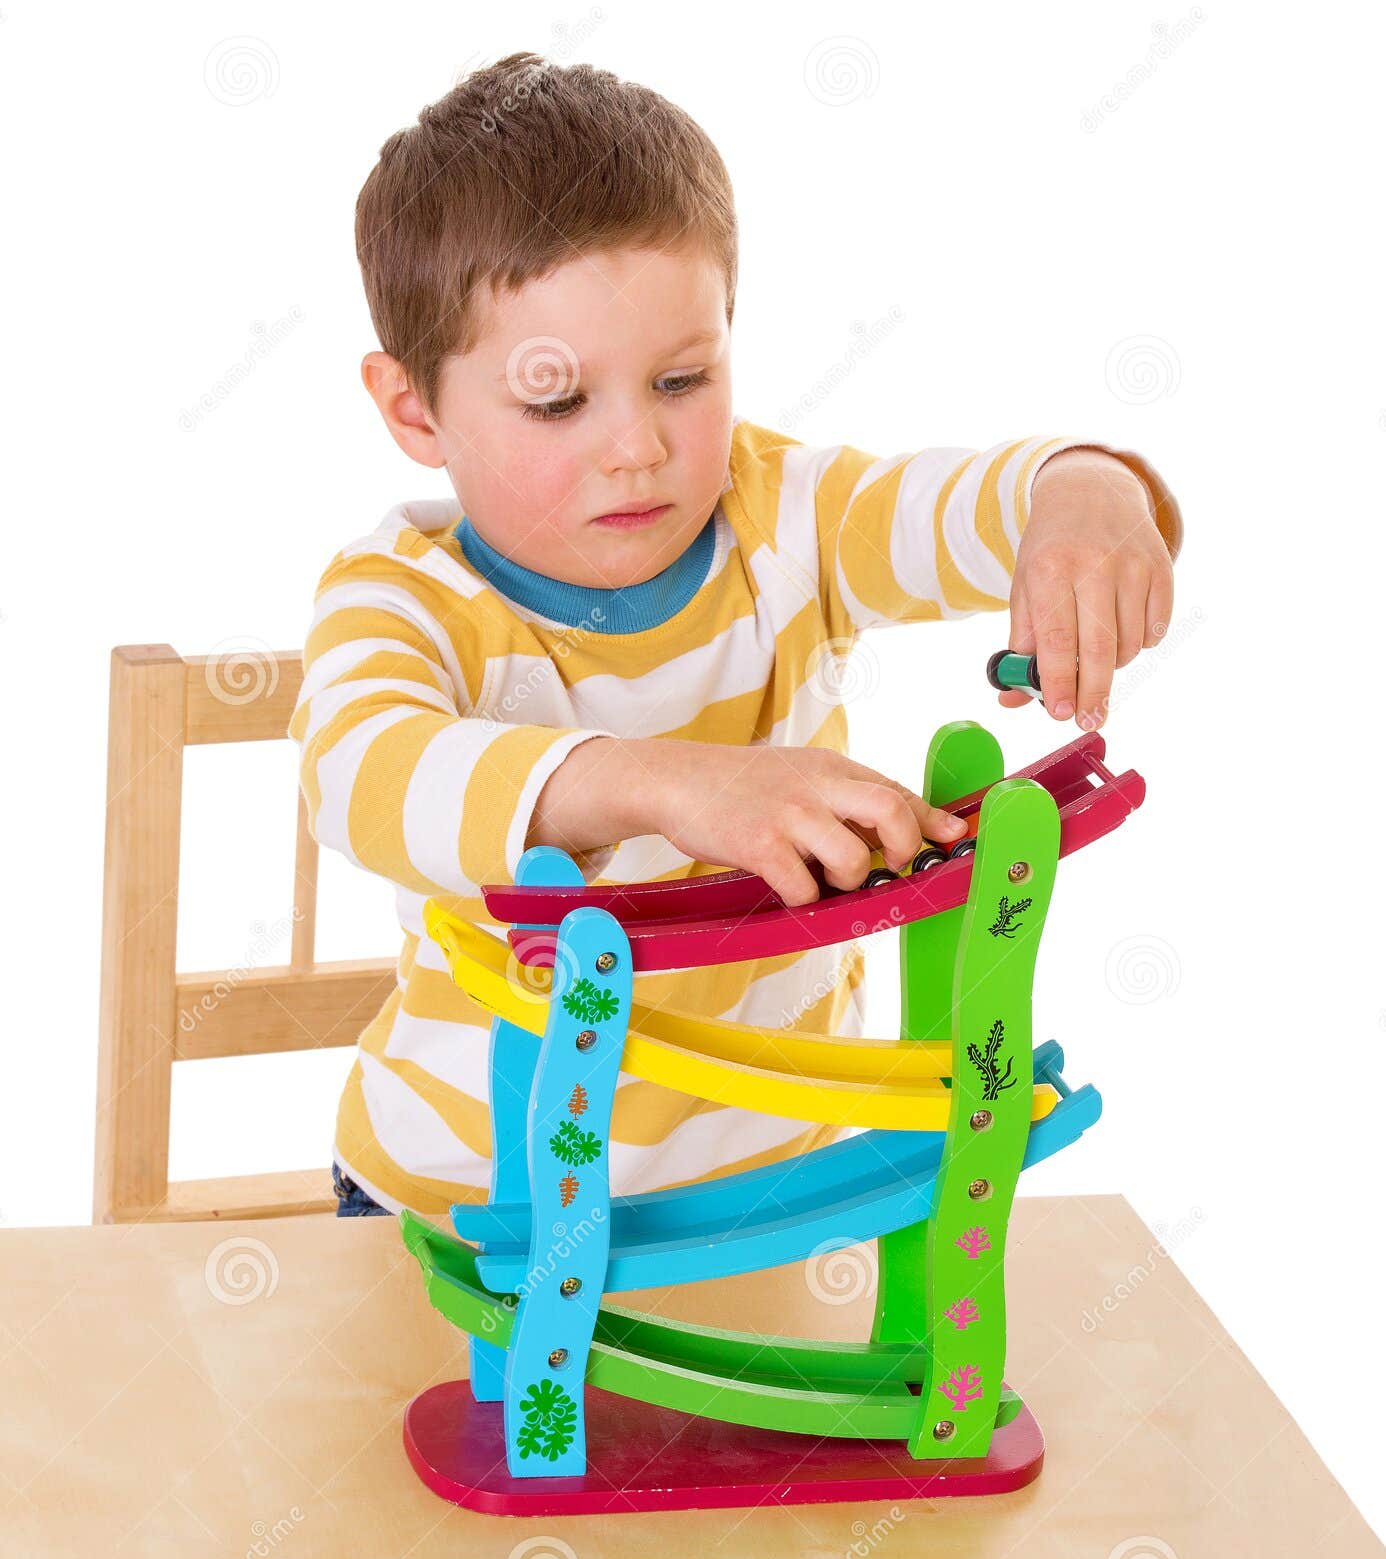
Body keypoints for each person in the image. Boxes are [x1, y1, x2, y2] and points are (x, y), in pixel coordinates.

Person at [291, 52, 1182, 1220]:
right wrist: (666, 784)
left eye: (682, 378)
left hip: (781, 1190)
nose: (638, 448)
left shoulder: (784, 516)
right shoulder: (401, 594)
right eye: (559, 401)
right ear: (416, 408)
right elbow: (356, 773)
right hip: (467, 1212)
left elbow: (970, 505)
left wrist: (1087, 492)